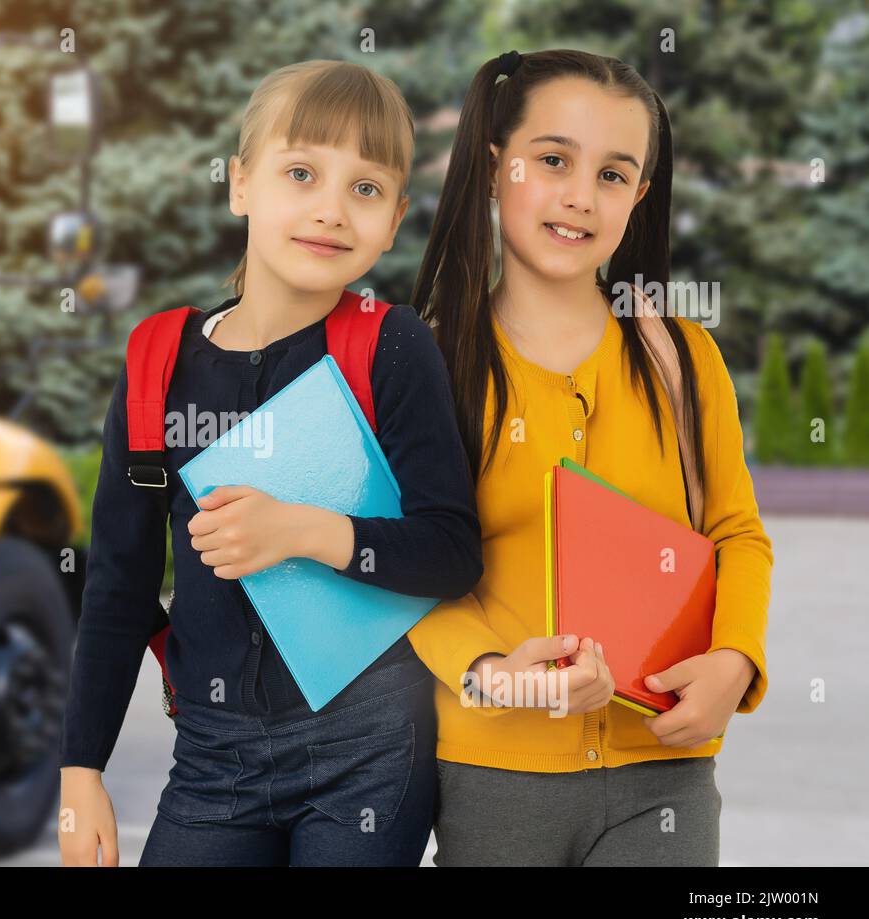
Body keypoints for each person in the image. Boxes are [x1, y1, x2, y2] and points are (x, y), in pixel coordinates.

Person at [59, 59, 481, 866]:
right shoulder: (158, 364)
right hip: (212, 760)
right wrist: (82, 772)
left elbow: (452, 553)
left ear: (394, 221)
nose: (331, 209)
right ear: (241, 184)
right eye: (301, 173)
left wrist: (305, 532)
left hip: (370, 751)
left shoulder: (391, 346)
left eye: (366, 188)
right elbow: (118, 588)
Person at [406, 49, 774, 866]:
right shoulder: (429, 366)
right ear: (496, 165)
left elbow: (737, 534)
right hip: (494, 774)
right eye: (552, 160)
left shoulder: (686, 359)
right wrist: (493, 672)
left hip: (665, 775)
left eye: (613, 175)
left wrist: (734, 660)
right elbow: (408, 568)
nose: (580, 195)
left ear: (638, 197)